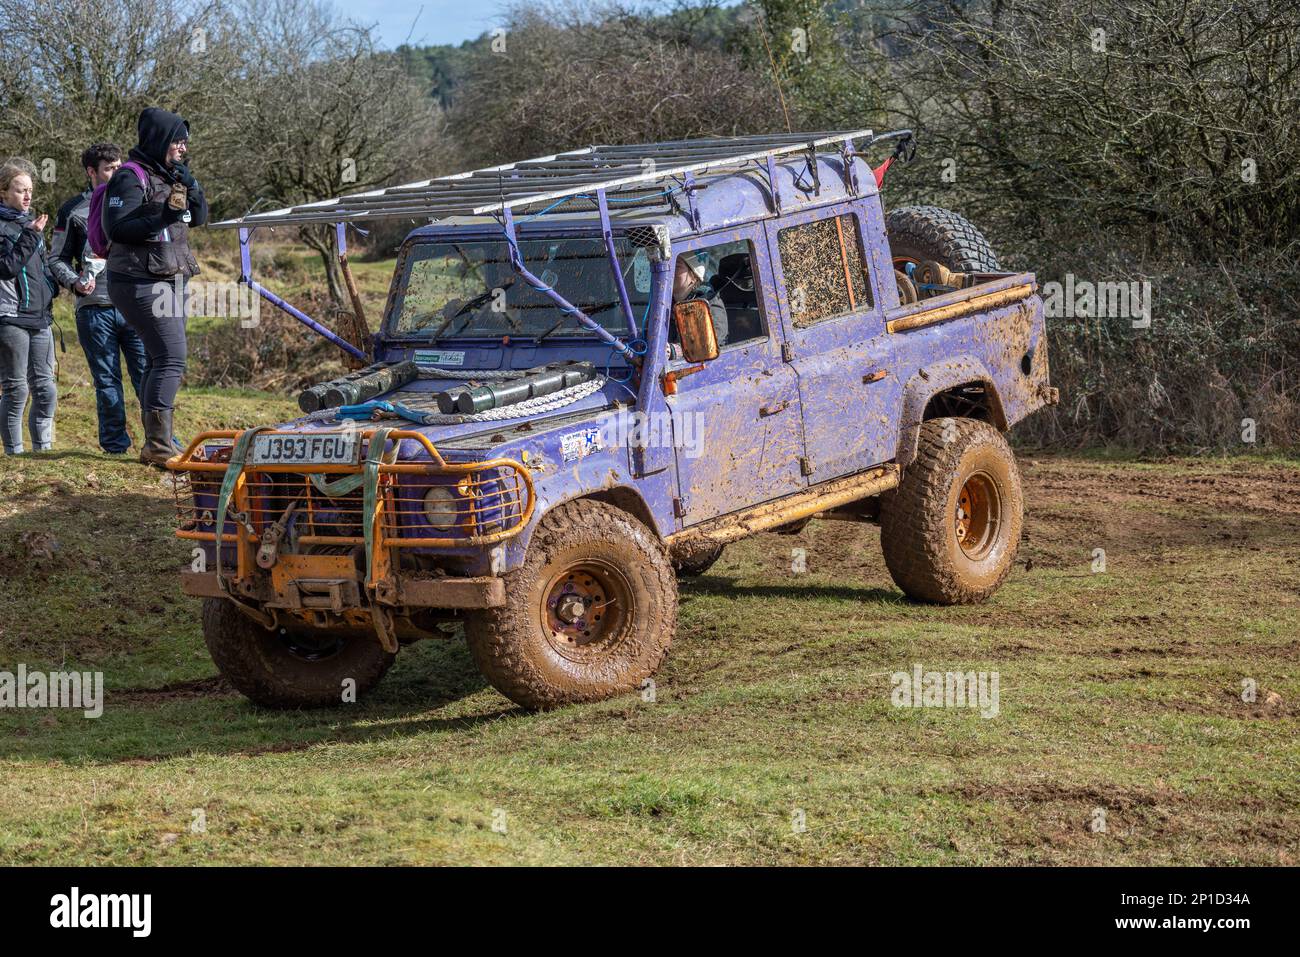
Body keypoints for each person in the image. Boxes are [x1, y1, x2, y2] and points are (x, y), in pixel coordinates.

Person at [103, 107, 208, 466]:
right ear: (160, 139)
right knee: (171, 357)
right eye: (178, 140)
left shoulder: (169, 174)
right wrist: (164, 215)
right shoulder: (128, 178)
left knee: (160, 358)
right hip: (138, 279)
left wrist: (191, 185)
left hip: (170, 275)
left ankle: (156, 443)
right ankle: (160, 446)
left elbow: (200, 218)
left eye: (185, 141)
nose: (183, 147)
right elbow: (117, 230)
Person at [50, 142, 149, 455]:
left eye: (119, 166)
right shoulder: (72, 210)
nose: (117, 173)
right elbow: (56, 259)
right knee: (107, 382)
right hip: (95, 309)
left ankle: (160, 442)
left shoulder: (138, 201)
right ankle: (115, 446)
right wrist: (76, 283)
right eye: (109, 168)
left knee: (148, 375)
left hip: (135, 304)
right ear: (91, 172)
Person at [0, 159, 58, 455]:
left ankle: (43, 452)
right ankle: (15, 454)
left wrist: (57, 286)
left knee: (46, 389)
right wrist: (31, 236)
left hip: (41, 318)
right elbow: (6, 268)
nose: (27, 196)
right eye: (20, 190)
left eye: (30, 191)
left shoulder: (31, 225)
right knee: (17, 389)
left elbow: (44, 267)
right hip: (9, 317)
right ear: (3, 192)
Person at [671, 251, 729, 348]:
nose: (669, 271)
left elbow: (709, 343)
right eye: (668, 265)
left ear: (694, 276)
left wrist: (675, 351)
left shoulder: (709, 304)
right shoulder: (662, 306)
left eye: (676, 266)